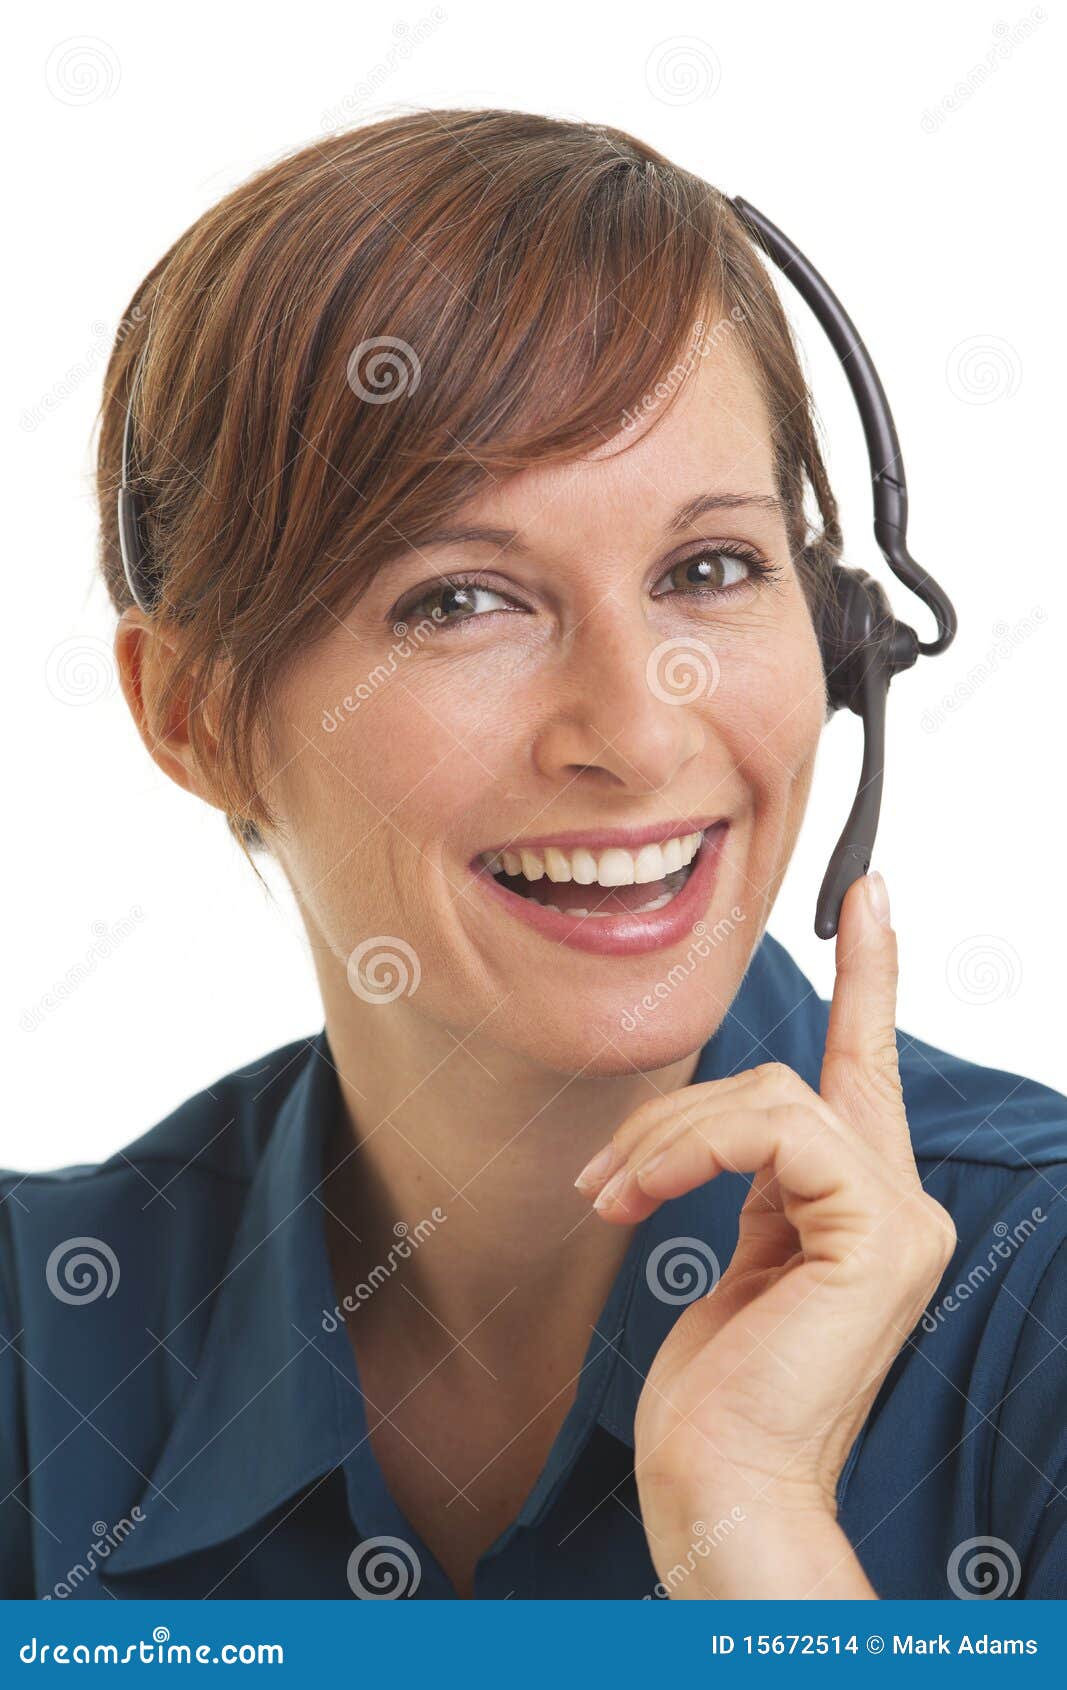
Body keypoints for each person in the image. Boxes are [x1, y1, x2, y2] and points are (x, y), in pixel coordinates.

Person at [2, 109, 1064, 1602]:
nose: (636, 730)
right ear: (194, 713)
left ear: (839, 637)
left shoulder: (1040, 1304)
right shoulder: (41, 1351)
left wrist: (754, 1525)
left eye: (708, 569)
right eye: (460, 599)